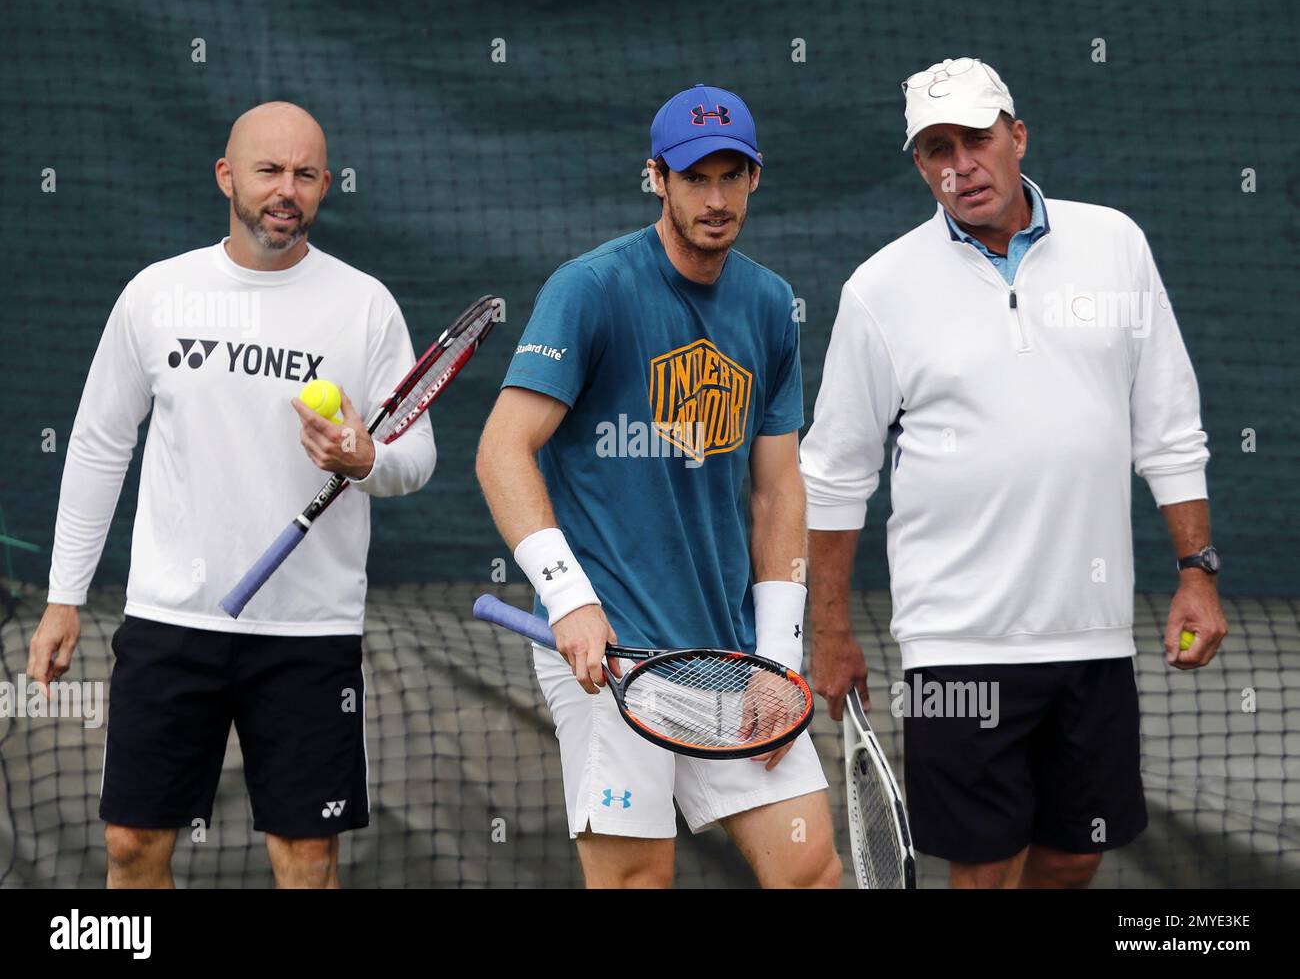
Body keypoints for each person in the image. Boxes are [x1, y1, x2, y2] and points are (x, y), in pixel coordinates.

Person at [800, 58, 1228, 888]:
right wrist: (829, 632)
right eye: (935, 149)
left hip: (1093, 633)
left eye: (975, 139)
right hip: (953, 645)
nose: (960, 165)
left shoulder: (1117, 245)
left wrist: (1196, 572)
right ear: (919, 164)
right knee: (984, 870)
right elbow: (835, 476)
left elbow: (1170, 427)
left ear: (1017, 135)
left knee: (1075, 855)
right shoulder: (879, 290)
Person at [27, 101, 436, 888]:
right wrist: (63, 596)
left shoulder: (365, 305)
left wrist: (362, 456)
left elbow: (414, 457)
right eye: (269, 170)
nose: (287, 190)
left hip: (309, 632)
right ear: (226, 176)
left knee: (307, 857)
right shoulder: (157, 293)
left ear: (323, 187)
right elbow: (99, 442)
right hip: (170, 621)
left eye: (305, 175)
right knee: (130, 846)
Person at [476, 84, 839, 888]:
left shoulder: (771, 305)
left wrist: (777, 658)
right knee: (637, 881)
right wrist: (569, 597)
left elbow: (779, 490)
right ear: (657, 179)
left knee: (810, 870)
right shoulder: (591, 289)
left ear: (754, 179)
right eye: (693, 177)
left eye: (730, 177)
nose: (714, 199)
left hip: (730, 654)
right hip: (617, 654)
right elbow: (502, 450)